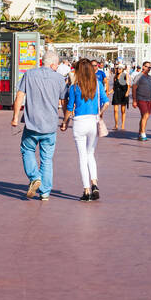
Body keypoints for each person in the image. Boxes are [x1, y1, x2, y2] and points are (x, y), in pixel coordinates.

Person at [10, 48, 66, 202]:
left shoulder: (29, 74)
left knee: (27, 149)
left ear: (42, 62)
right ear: (54, 65)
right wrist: (65, 121)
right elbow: (64, 101)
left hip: (31, 123)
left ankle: (35, 177)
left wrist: (15, 117)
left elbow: (20, 95)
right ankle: (45, 192)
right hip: (50, 125)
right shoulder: (60, 79)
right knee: (47, 158)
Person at [62, 58, 107, 201]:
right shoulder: (98, 85)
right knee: (90, 154)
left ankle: (86, 190)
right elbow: (106, 102)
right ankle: (95, 183)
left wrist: (65, 122)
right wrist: (99, 114)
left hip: (79, 122)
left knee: (82, 157)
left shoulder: (74, 87)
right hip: (93, 122)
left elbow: (69, 108)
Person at [133, 61, 151, 141]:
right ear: (143, 67)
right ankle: (143, 133)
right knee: (145, 115)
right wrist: (134, 100)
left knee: (145, 116)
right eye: (147, 67)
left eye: (150, 67)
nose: (149, 68)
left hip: (149, 99)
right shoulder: (139, 76)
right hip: (141, 98)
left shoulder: (150, 77)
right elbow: (134, 88)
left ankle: (140, 133)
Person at [110, 62, 129, 131]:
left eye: (120, 68)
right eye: (118, 68)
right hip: (116, 94)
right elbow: (114, 88)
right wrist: (108, 92)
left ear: (122, 69)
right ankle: (116, 125)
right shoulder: (115, 76)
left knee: (123, 111)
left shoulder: (125, 75)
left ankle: (123, 125)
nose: (118, 70)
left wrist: (127, 92)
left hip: (123, 94)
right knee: (115, 110)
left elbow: (128, 85)